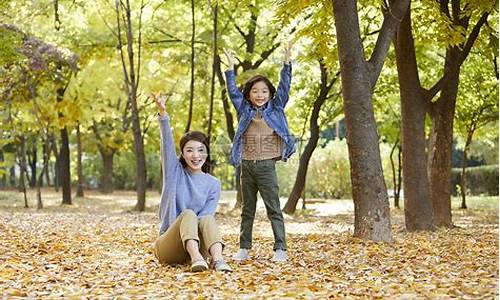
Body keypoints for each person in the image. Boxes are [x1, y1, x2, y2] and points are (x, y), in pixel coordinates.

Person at [223, 43, 295, 263]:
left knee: (274, 208)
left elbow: (284, 87)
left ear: (270, 93)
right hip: (246, 165)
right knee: (247, 210)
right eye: (255, 90)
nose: (260, 94)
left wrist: (287, 64)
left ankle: (280, 248)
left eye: (264, 91)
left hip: (266, 166)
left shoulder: (276, 108)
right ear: (249, 94)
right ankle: (244, 247)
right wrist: (230, 70)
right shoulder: (244, 109)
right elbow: (233, 93)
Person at [152, 93, 232, 272]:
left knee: (207, 218)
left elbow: (205, 218)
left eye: (200, 150)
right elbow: (166, 144)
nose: (196, 155)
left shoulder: (213, 184)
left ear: (206, 153)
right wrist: (163, 113)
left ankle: (218, 260)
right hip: (169, 246)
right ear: (183, 153)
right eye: (189, 150)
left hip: (199, 245)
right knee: (188, 214)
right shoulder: (174, 172)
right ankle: (196, 259)